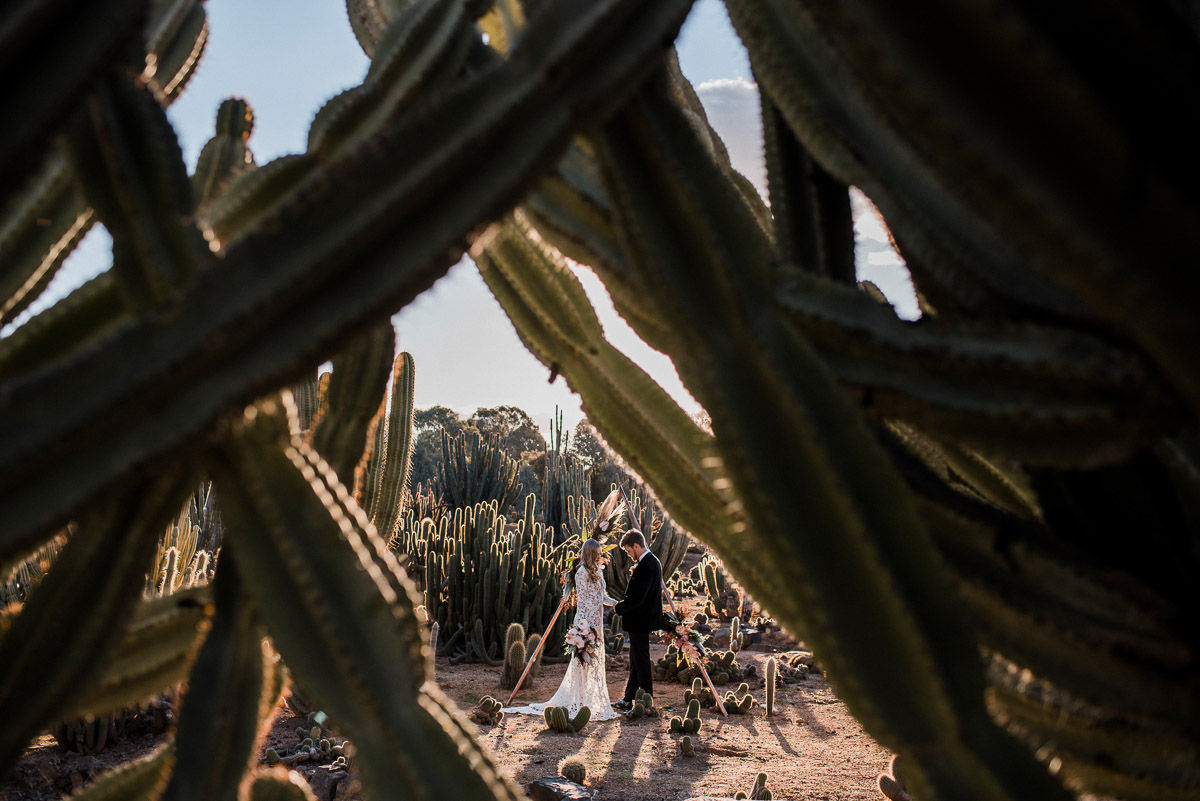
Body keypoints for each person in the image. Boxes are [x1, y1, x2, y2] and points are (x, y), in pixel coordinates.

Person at [503, 538, 620, 720]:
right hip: (585, 623)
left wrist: (616, 603)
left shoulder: (598, 571)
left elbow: (601, 596)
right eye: (597, 554)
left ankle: (591, 700)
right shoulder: (581, 572)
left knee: (595, 662)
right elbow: (583, 600)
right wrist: (585, 628)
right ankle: (580, 701)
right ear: (590, 554)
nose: (600, 556)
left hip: (597, 623)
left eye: (601, 553)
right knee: (582, 662)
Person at [612, 529, 664, 711]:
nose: (628, 555)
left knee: (641, 661)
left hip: (641, 621)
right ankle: (628, 699)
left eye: (628, 551)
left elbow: (638, 598)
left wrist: (620, 607)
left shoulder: (648, 564)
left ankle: (647, 700)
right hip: (640, 621)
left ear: (636, 546)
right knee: (636, 661)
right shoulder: (650, 562)